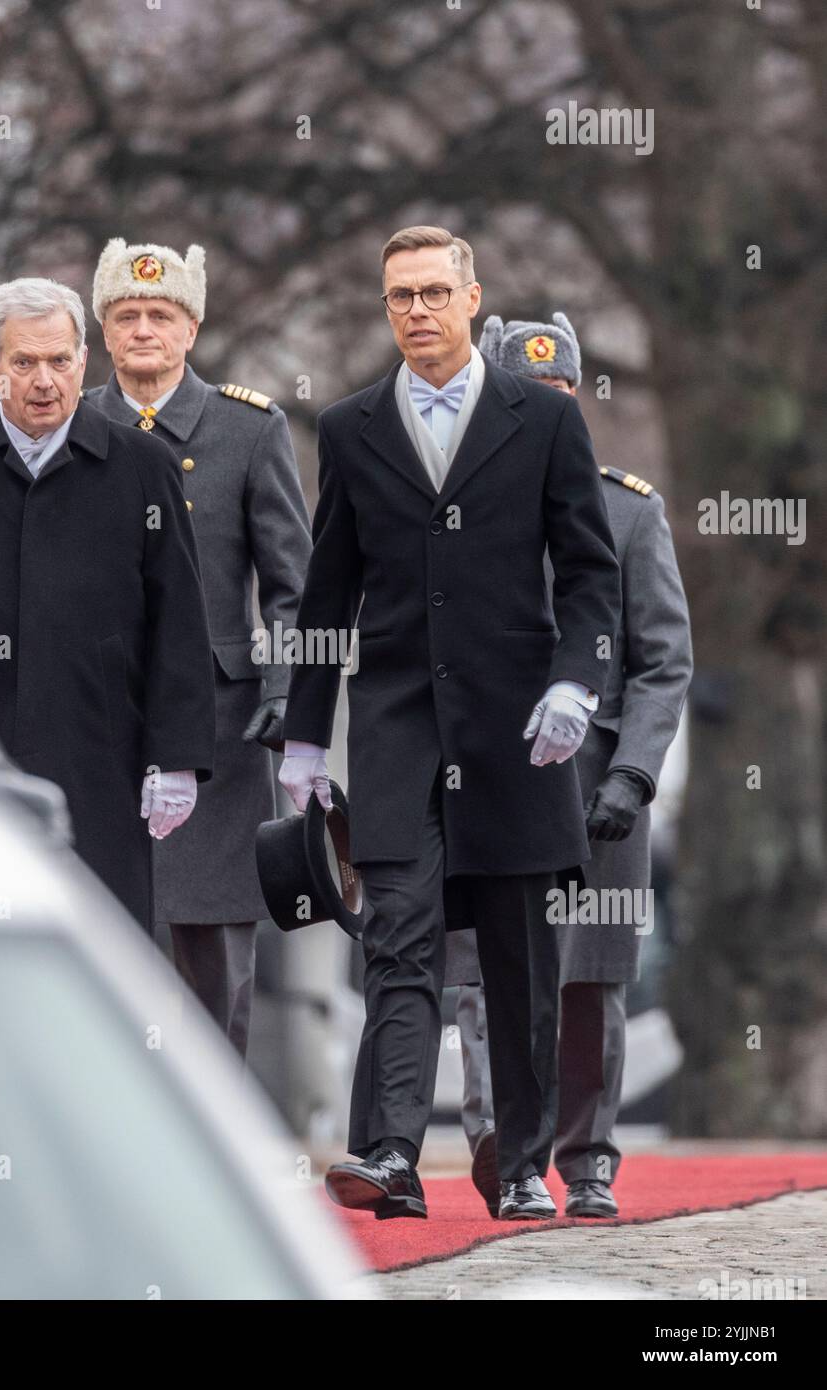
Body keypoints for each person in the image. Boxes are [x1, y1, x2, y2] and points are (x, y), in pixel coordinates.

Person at [279, 226, 621, 1220]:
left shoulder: (545, 422)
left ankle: (519, 1164)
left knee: (518, 955)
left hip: (518, 731)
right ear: (384, 308)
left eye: (434, 291)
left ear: (473, 299)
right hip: (394, 727)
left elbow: (594, 576)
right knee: (399, 938)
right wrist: (305, 734)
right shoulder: (349, 427)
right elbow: (328, 587)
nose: (417, 310)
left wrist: (575, 684)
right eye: (399, 296)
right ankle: (388, 1152)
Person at [448, 311, 693, 1217]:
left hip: (596, 790)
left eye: (562, 391)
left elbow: (663, 660)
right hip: (487, 780)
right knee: (486, 975)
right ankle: (500, 1145)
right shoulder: (457, 509)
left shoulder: (628, 510)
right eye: (527, 392)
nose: (548, 407)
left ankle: (586, 1158)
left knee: (590, 979)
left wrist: (632, 774)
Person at [0, 277, 215, 933]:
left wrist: (175, 756)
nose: (44, 380)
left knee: (100, 955)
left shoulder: (143, 465)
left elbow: (178, 617)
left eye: (59, 360)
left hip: (102, 764)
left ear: (82, 361)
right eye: (24, 362)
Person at [86, 240, 311, 1056]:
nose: (144, 329)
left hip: (222, 727)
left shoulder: (248, 430)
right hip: (102, 721)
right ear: (104, 330)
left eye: (161, 315)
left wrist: (289, 700)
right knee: (104, 945)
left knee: (214, 957)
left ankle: (215, 1154)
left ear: (192, 328)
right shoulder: (72, 426)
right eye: (126, 315)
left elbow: (294, 586)